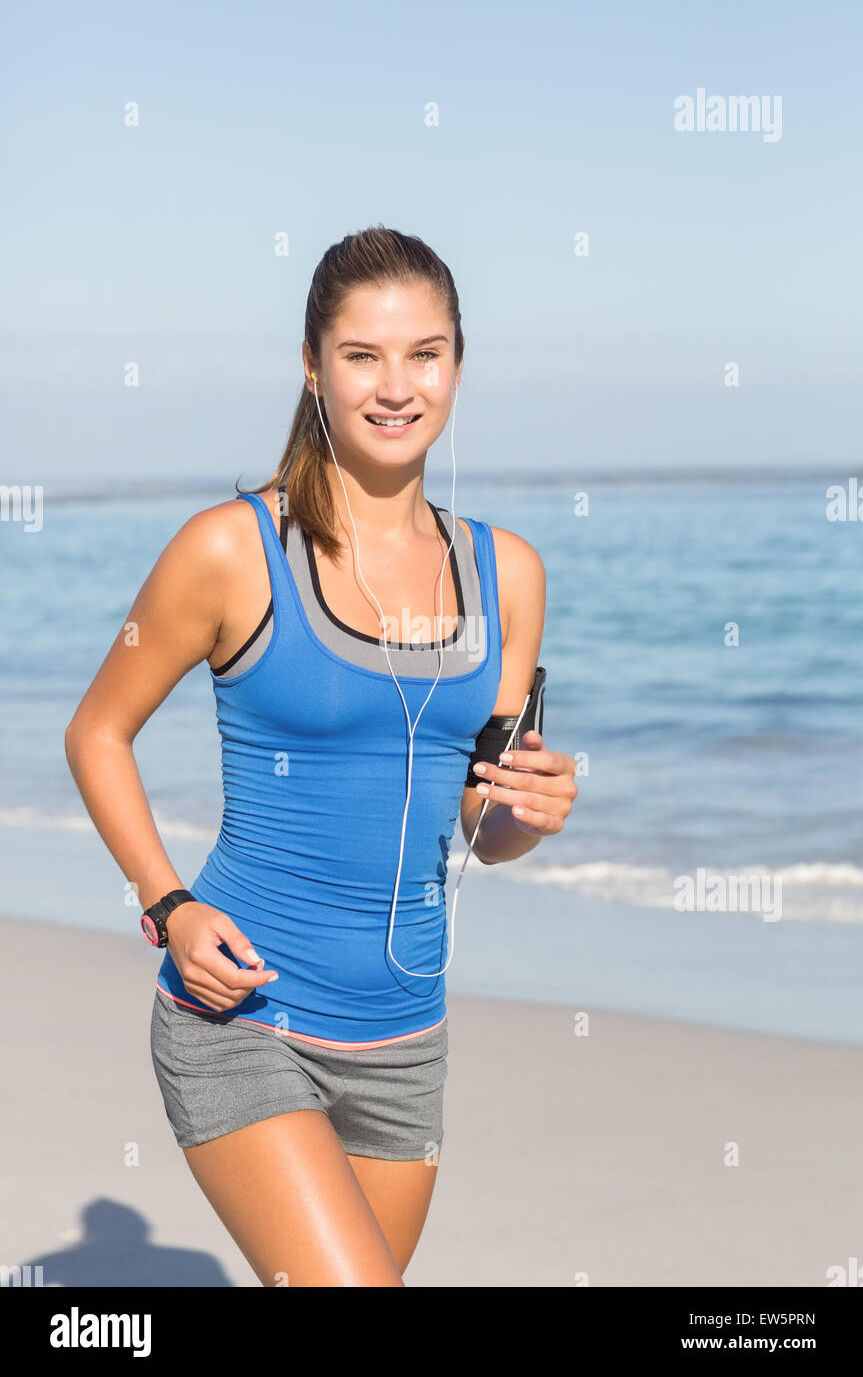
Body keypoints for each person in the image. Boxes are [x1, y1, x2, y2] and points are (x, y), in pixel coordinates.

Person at [64, 225, 578, 1287]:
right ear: (313, 367)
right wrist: (168, 904)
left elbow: (482, 828)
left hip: (404, 1040)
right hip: (244, 1014)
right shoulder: (229, 549)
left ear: (457, 366)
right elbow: (96, 731)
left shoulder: (508, 575)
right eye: (362, 355)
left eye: (423, 354)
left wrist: (527, 814)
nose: (396, 387)